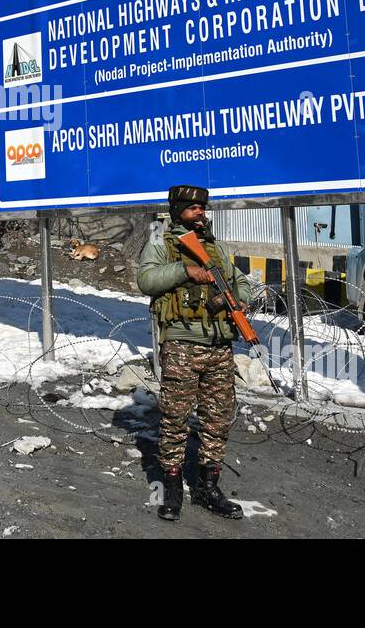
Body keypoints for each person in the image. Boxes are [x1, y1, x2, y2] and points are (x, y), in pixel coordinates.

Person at [137, 184, 252, 522]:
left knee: (217, 420)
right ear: (177, 212)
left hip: (219, 345)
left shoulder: (216, 248)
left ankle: (207, 486)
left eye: (202, 207)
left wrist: (241, 298)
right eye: (192, 208)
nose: (200, 212)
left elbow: (240, 279)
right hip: (182, 344)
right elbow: (146, 280)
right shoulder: (163, 243)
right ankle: (171, 488)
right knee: (175, 418)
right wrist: (185, 271)